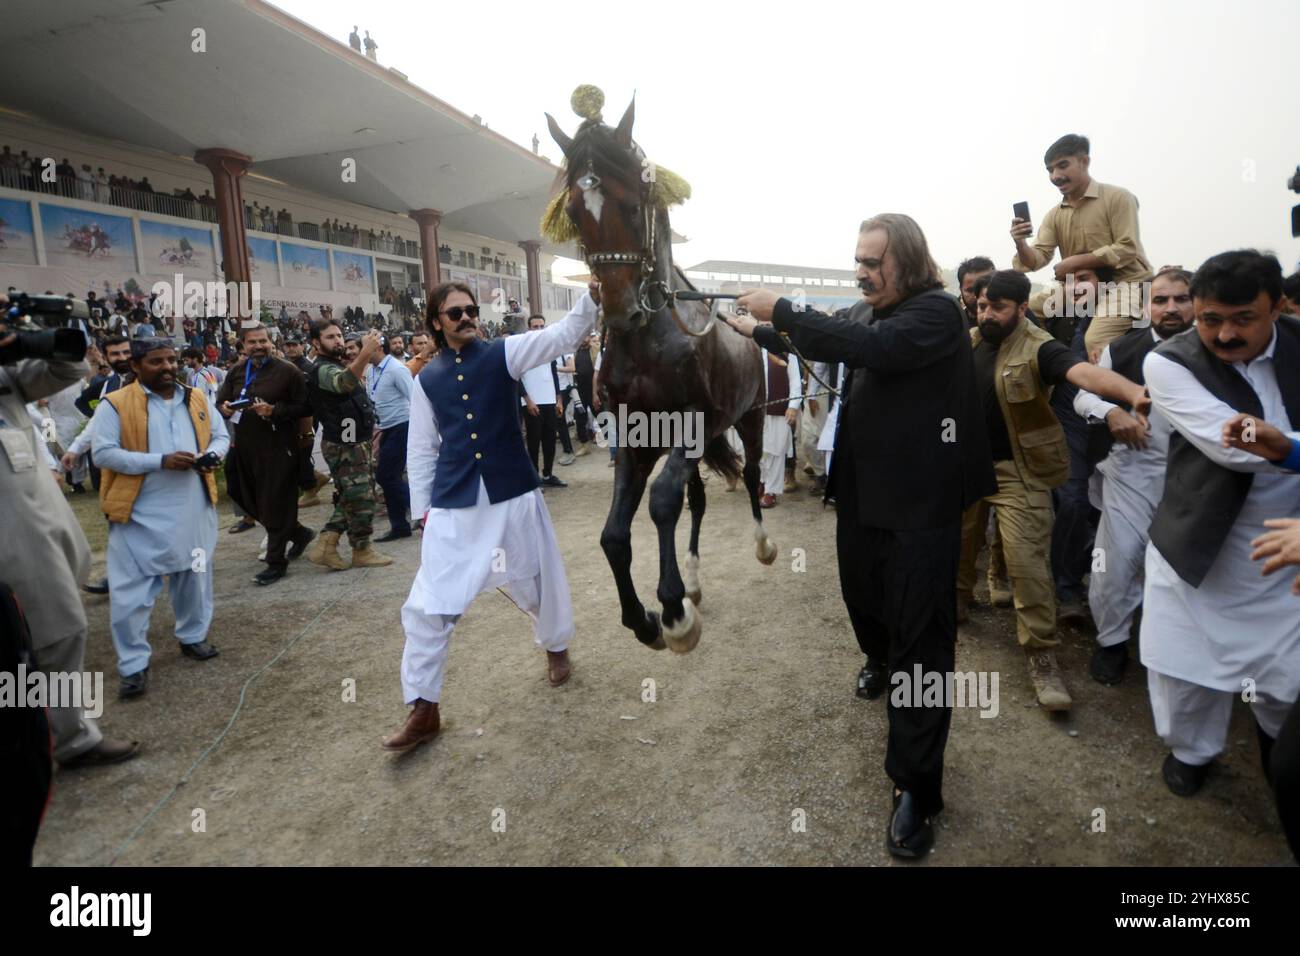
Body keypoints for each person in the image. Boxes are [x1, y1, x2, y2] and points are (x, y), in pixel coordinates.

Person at [731, 213, 996, 859]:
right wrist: (760, 329)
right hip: (863, 497)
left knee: (922, 645)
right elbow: (837, 340)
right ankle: (879, 658)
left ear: (907, 260)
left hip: (921, 509)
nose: (861, 272)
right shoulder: (872, 312)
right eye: (857, 260)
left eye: (873, 262)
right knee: (865, 605)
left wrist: (786, 307)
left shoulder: (933, 313)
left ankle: (916, 790)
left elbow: (875, 351)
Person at [382, 281, 600, 753]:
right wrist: (423, 514)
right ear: (436, 322)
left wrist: (594, 298)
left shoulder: (507, 352)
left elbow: (564, 335)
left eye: (470, 310)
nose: (465, 317)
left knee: (535, 583)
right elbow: (421, 450)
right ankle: (424, 708)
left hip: (512, 495)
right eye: (454, 312)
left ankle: (556, 646)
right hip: (454, 504)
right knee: (427, 605)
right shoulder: (425, 380)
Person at [1140, 250, 1300, 797]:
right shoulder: (1167, 362)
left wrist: (1289, 448)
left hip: (1288, 552)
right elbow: (1234, 445)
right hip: (1199, 545)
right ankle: (1194, 752)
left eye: (1243, 320)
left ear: (1277, 307)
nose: (1225, 335)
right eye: (1211, 320)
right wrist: (1282, 446)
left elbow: (1271, 444)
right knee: (1186, 670)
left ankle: (1282, 754)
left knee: (1287, 678)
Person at [956, 270, 1150, 712]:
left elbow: (1082, 372)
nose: (986, 314)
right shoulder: (967, 342)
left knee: (1028, 565)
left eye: (997, 308)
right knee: (959, 543)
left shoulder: (1040, 346)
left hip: (1019, 471)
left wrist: (1131, 392)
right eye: (982, 305)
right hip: (967, 465)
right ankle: (959, 603)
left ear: (1022, 308)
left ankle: (1041, 656)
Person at [0, 299, 139, 766]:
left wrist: (29, 331)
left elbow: (68, 367)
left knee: (52, 635)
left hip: (40, 520)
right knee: (56, 631)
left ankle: (53, 734)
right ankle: (65, 738)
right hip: (12, 538)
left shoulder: (6, 376)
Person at [1072, 267, 1194, 684]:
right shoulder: (1122, 350)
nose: (1171, 308)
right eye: (1161, 300)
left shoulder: (1219, 352)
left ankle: (1178, 655)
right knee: (1116, 563)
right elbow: (1083, 394)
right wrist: (1111, 412)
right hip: (1132, 472)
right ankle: (1111, 642)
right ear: (1146, 307)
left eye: (1181, 298)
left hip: (1198, 480)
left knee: (1183, 570)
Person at [92, 339, 229, 698]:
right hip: (137, 514)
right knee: (130, 597)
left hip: (192, 507)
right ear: (136, 366)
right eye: (157, 361)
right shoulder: (115, 404)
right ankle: (133, 666)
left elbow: (220, 435)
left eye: (171, 359)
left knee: (195, 578)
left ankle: (193, 637)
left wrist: (213, 454)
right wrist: (160, 461)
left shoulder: (196, 398)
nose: (168, 367)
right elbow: (103, 454)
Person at [1011, 133, 1154, 355]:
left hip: (1126, 285)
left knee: (1095, 340)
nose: (1055, 175)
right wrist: (1020, 243)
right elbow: (1035, 261)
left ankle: (1108, 388)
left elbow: (1127, 247)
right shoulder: (1054, 215)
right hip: (1076, 287)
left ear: (1084, 161)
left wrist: (1073, 262)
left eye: (1062, 165)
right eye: (1050, 170)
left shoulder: (1118, 197)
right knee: (1017, 312)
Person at [216, 325, 316, 586]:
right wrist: (224, 408)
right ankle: (299, 533)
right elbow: (221, 401)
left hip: (279, 447)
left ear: (272, 343)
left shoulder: (288, 371)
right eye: (252, 342)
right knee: (242, 495)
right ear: (244, 346)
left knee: (275, 502)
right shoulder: (236, 371)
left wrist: (275, 410)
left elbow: (306, 406)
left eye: (263, 341)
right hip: (244, 447)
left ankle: (275, 562)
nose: (258, 346)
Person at [304, 321, 392, 570]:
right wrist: (366, 352)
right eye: (330, 337)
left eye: (340, 335)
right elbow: (343, 383)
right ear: (316, 343)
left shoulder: (333, 364)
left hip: (354, 440)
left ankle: (327, 544)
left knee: (354, 496)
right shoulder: (321, 369)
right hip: (345, 443)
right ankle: (361, 550)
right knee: (361, 498)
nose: (339, 341)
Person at [364, 335, 414, 542]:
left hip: (402, 426)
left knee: (386, 477)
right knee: (389, 477)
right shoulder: (371, 371)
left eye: (363, 348)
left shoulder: (396, 369)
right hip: (384, 428)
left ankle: (426, 507)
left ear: (375, 348)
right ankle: (400, 526)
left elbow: (414, 398)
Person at [521, 315, 568, 489]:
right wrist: (527, 399)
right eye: (535, 326)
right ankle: (533, 478)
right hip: (532, 403)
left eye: (542, 326)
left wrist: (559, 398)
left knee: (550, 440)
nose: (539, 330)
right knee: (534, 442)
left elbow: (554, 374)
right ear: (529, 328)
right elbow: (517, 378)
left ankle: (547, 474)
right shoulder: (522, 350)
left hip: (550, 401)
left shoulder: (549, 349)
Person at [757, 348, 802, 508]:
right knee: (760, 450)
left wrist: (793, 406)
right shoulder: (753, 349)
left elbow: (796, 382)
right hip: (757, 410)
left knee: (776, 450)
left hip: (779, 409)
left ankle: (771, 491)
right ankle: (762, 481)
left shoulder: (786, 351)